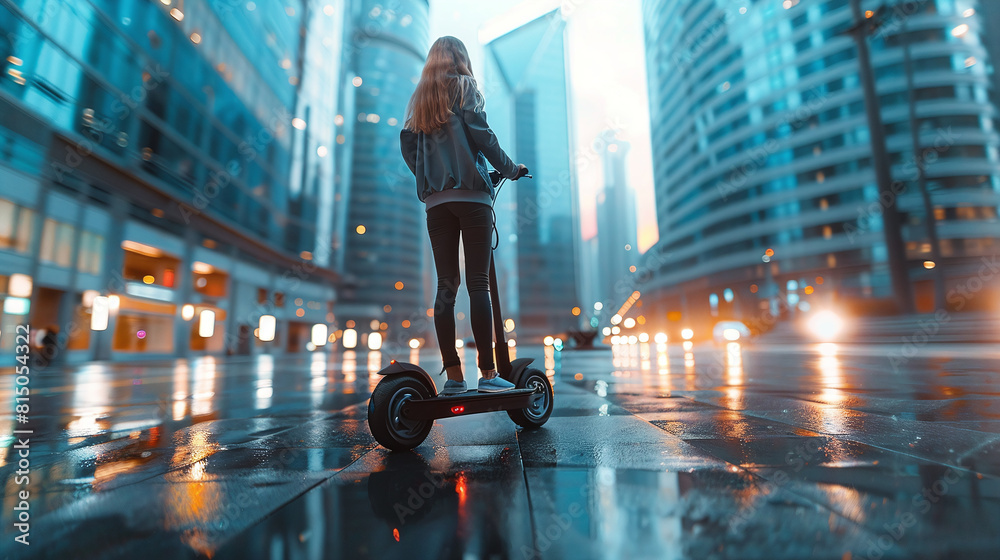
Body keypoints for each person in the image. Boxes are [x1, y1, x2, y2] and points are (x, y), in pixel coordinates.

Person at [400, 36, 529, 395]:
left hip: (436, 203)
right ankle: (488, 374)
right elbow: (482, 134)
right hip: (472, 198)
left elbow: (408, 144)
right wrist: (511, 169)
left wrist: (429, 176)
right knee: (478, 284)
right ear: (461, 58)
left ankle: (454, 377)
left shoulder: (421, 97)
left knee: (446, 285)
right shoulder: (464, 86)